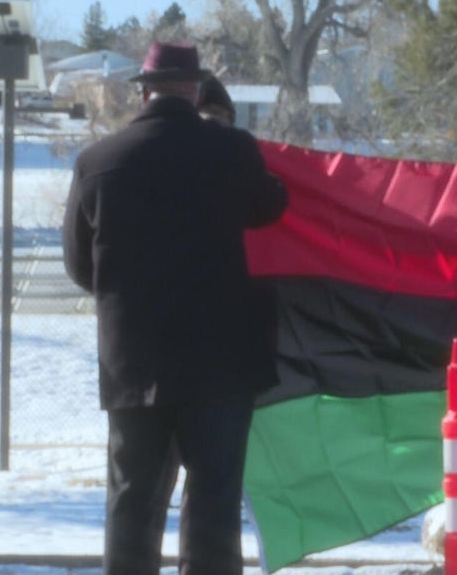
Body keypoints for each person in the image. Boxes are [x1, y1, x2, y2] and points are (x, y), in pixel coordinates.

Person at [62, 41, 288, 574]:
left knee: (132, 502)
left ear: (143, 92)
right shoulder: (232, 151)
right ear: (196, 90)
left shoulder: (97, 162)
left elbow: (78, 265)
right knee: (214, 504)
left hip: (134, 362)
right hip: (220, 364)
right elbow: (272, 206)